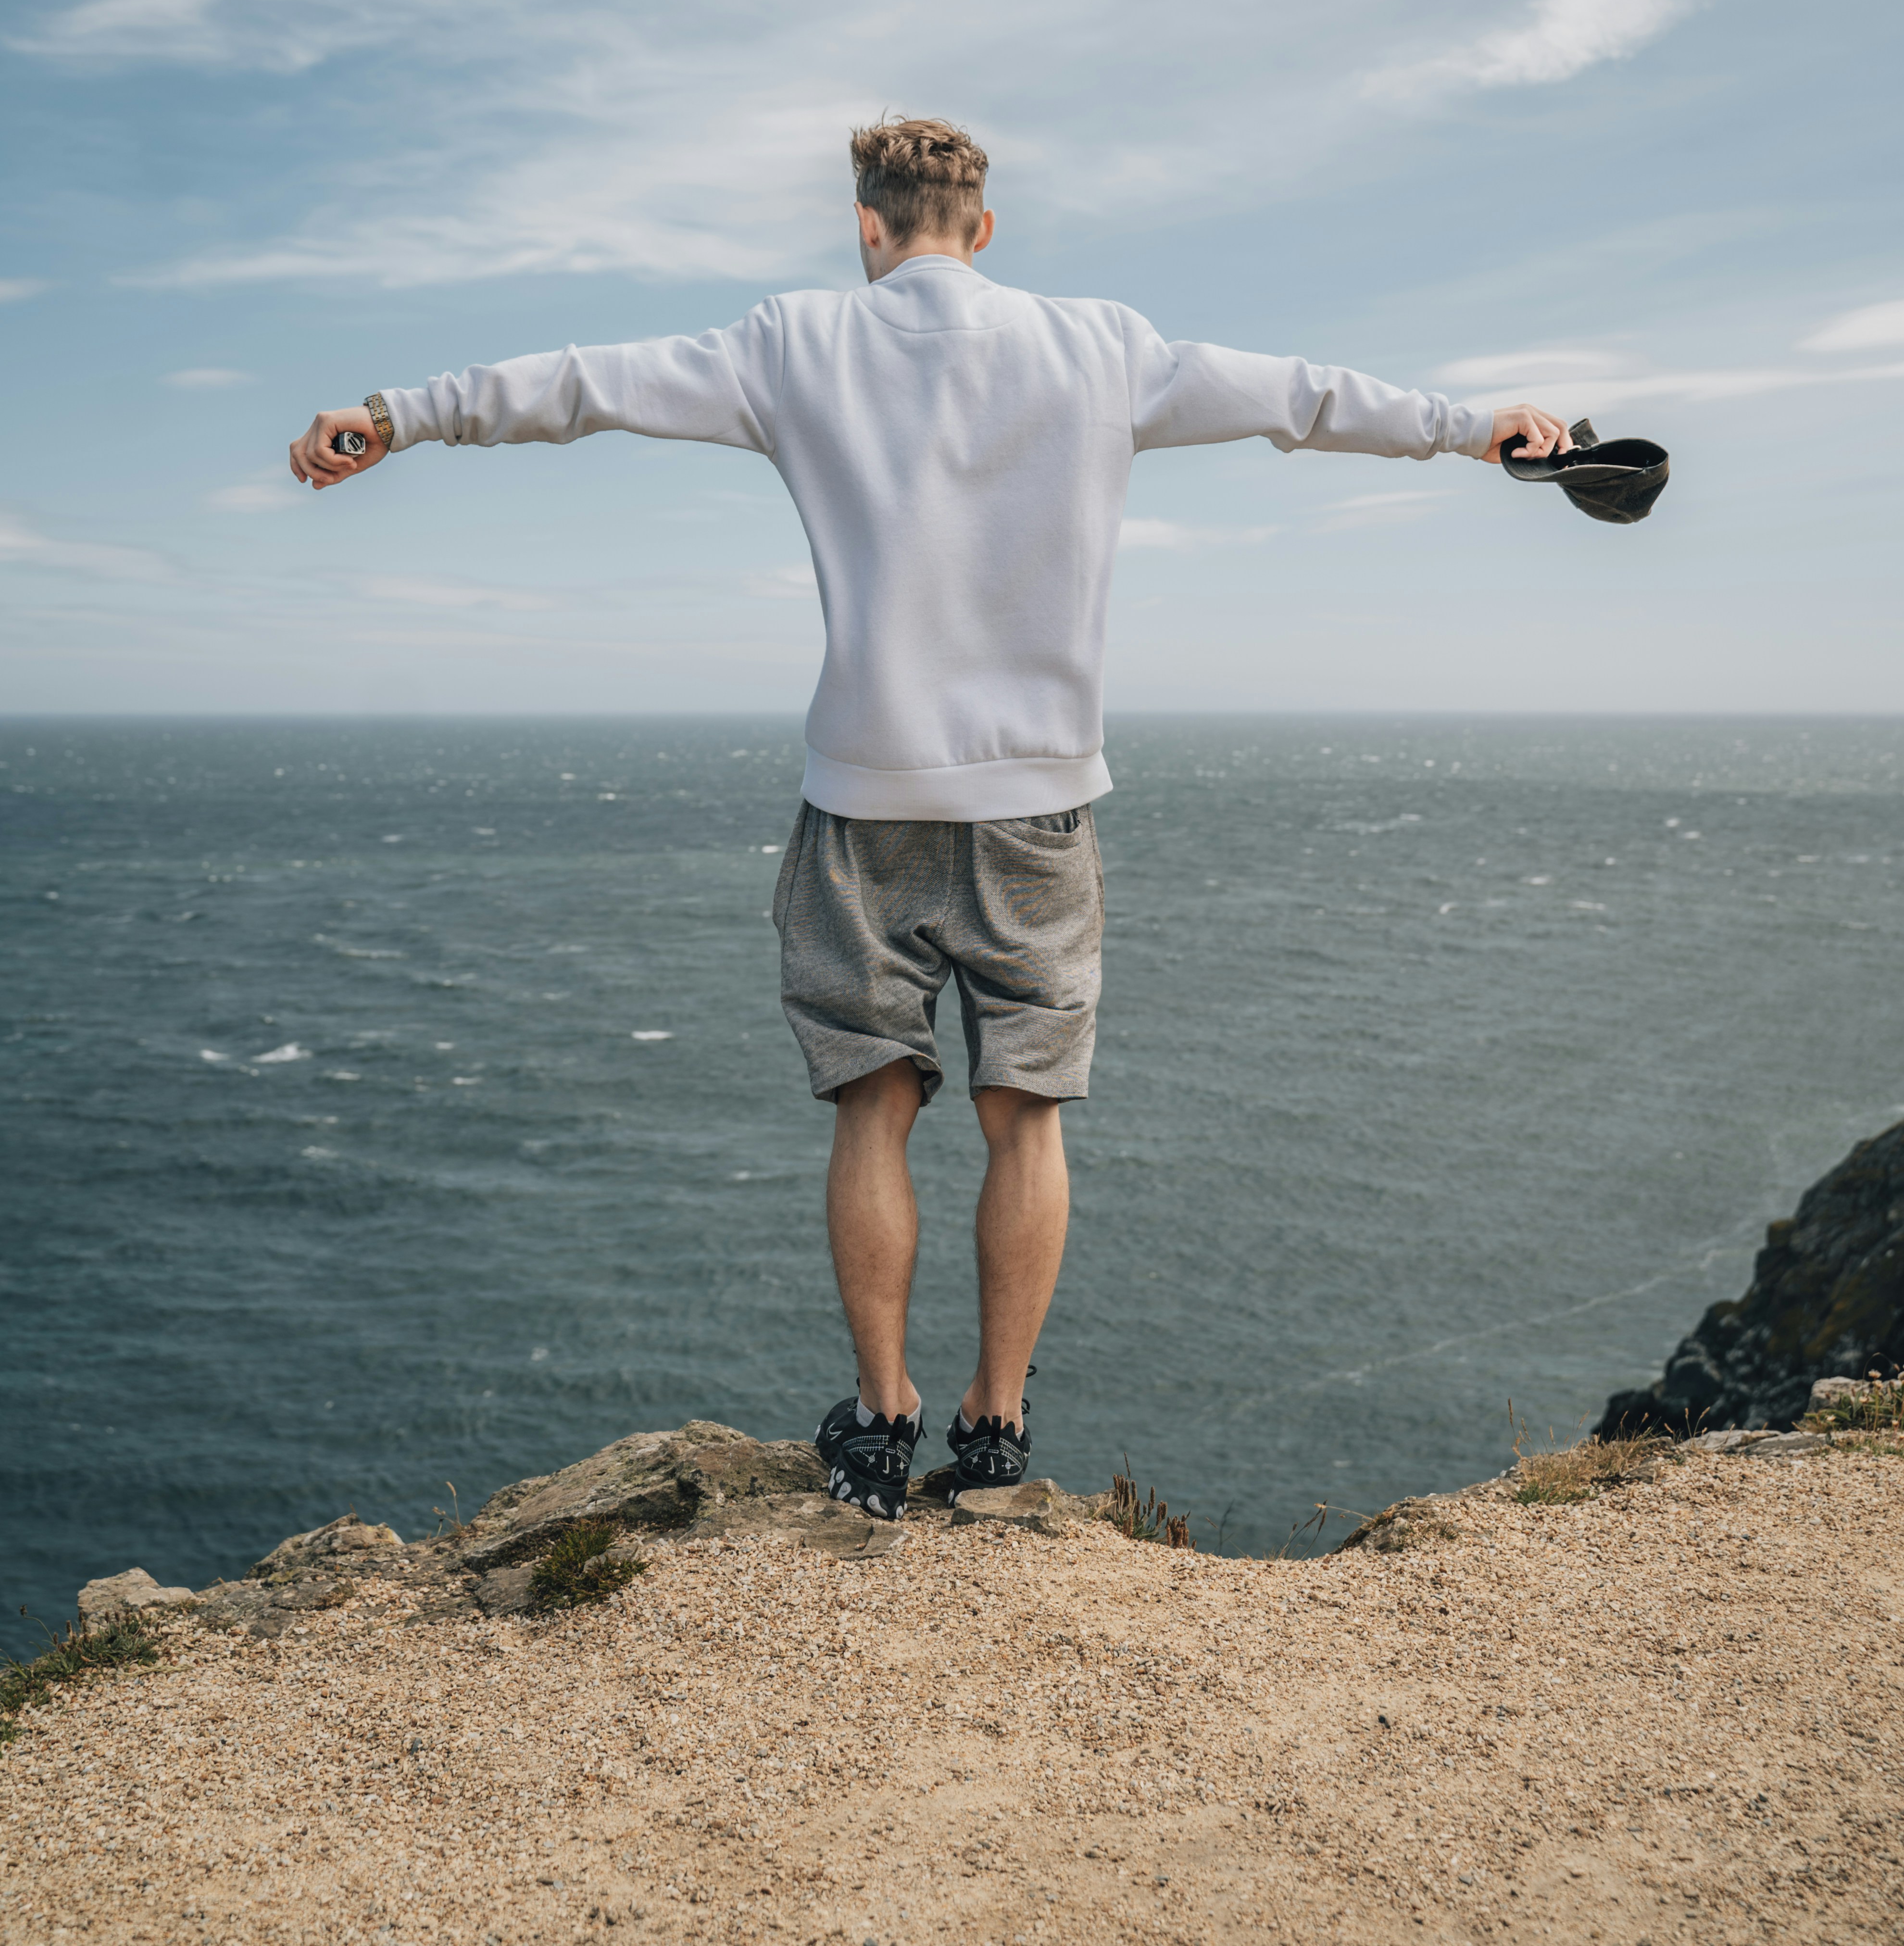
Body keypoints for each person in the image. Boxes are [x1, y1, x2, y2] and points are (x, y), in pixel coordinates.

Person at [289, 117, 1571, 1521]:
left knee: (873, 1113)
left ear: (866, 225)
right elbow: (1304, 399)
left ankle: (884, 1416)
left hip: (861, 799)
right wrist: (1474, 429)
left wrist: (398, 412)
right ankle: (998, 1420)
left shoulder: (793, 342)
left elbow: (584, 384)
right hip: (1041, 805)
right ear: (985, 227)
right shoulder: (1100, 345)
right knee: (1025, 1124)